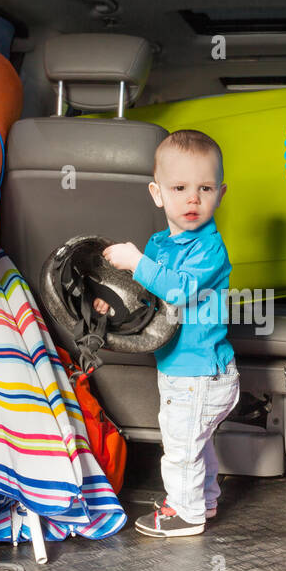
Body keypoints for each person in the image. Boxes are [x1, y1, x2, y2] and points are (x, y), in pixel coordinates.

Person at [98, 129, 240, 537]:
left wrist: (134, 260)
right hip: (180, 369)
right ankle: (205, 501)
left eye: (205, 188)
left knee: (181, 449)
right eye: (179, 188)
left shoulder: (208, 249)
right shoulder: (159, 245)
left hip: (200, 372)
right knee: (197, 444)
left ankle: (185, 512)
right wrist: (114, 299)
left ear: (220, 193)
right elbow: (147, 291)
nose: (192, 198)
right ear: (157, 193)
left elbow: (177, 290)